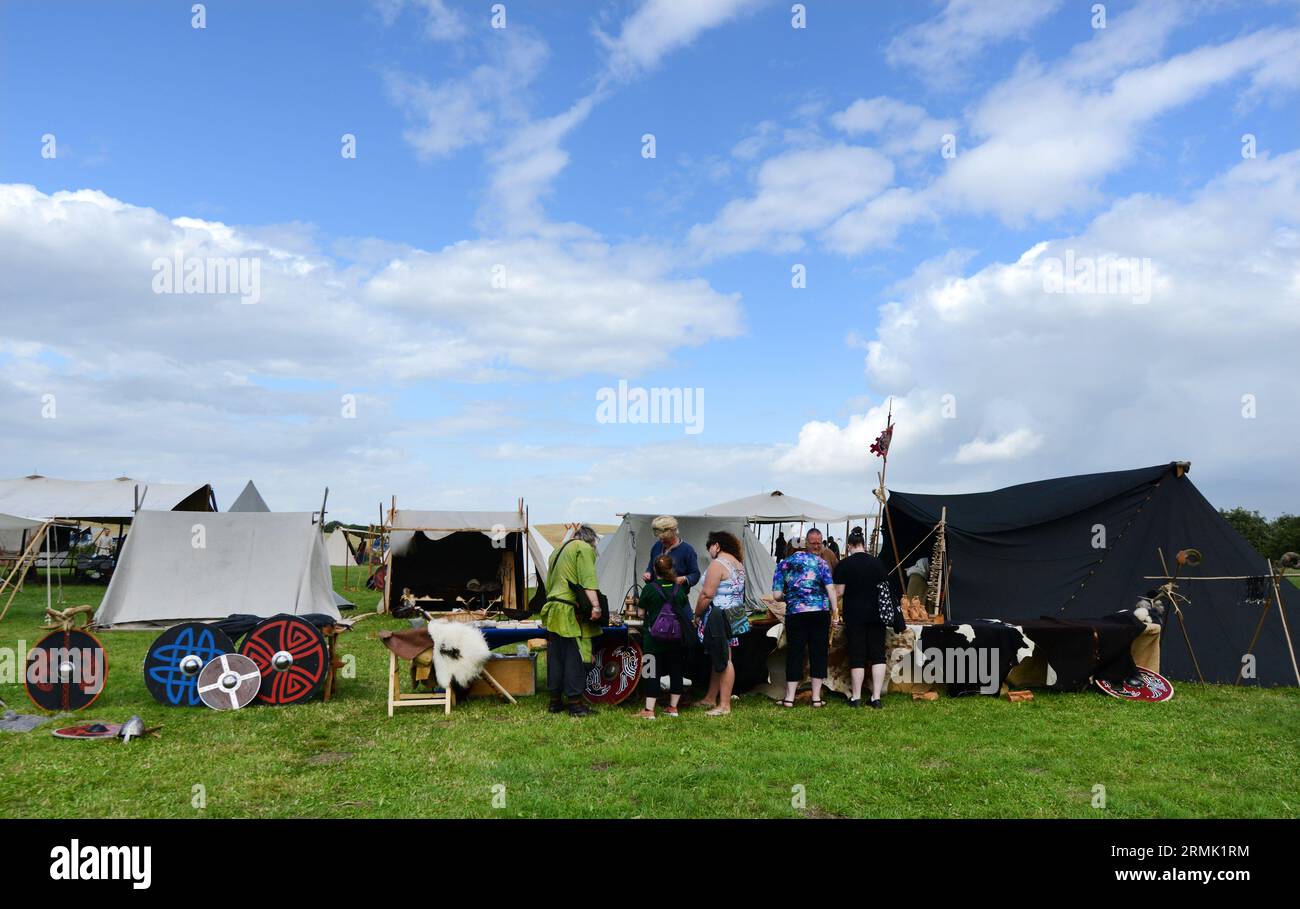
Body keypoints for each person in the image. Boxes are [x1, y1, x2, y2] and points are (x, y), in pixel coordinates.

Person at [538, 524, 603, 717]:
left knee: (556, 656)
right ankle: (575, 704)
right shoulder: (582, 548)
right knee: (574, 657)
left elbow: (549, 583)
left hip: (554, 609)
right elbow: (588, 580)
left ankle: (555, 702)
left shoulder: (557, 551)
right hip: (569, 611)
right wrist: (596, 606)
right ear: (591, 541)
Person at [771, 536, 839, 708]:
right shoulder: (820, 562)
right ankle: (816, 698)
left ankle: (789, 698)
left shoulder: (783, 564)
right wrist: (835, 612)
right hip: (820, 612)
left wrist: (790, 597)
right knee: (818, 653)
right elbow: (831, 589)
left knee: (794, 653)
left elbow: (776, 595)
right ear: (806, 546)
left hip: (796, 613)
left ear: (789, 549)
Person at [832, 527, 893, 708]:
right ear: (863, 545)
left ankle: (856, 697)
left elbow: (840, 592)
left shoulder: (844, 565)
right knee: (878, 656)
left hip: (854, 616)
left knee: (856, 656)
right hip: (876, 616)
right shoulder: (878, 563)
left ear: (850, 545)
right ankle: (876, 697)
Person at [694, 530, 747, 716]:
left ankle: (724, 705)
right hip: (735, 614)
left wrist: (697, 613)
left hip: (720, 614)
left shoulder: (718, 564)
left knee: (724, 658)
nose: (709, 552)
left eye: (709, 548)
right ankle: (710, 697)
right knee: (720, 655)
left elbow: (707, 594)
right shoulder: (738, 564)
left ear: (716, 545)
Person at [636, 554, 695, 719]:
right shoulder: (679, 589)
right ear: (671, 569)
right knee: (676, 670)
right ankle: (673, 708)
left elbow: (641, 613)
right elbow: (683, 607)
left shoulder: (649, 588)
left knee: (650, 671)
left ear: (654, 569)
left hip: (652, 640)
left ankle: (649, 710)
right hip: (675, 638)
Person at [642, 515, 700, 592]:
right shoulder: (656, 546)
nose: (662, 541)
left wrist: (684, 579)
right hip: (656, 597)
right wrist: (648, 573)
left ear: (673, 533)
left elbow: (695, 574)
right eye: (660, 538)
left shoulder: (688, 550)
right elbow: (651, 566)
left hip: (678, 599)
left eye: (665, 538)